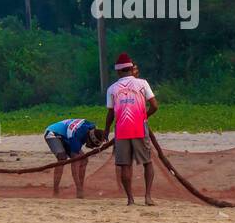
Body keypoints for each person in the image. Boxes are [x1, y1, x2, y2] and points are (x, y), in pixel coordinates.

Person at [104, 53, 159, 206]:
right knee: (147, 162)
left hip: (121, 131)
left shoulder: (112, 89)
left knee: (124, 165)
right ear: (131, 69)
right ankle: (148, 197)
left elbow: (110, 113)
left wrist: (107, 130)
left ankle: (130, 199)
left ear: (118, 71)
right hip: (139, 129)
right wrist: (144, 117)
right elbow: (155, 106)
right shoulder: (142, 84)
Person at [43, 118, 106, 198]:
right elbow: (74, 166)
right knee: (62, 158)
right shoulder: (76, 137)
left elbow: (101, 134)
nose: (91, 148)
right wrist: (78, 190)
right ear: (89, 140)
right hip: (52, 133)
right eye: (91, 145)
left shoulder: (92, 128)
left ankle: (81, 188)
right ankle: (56, 190)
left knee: (84, 160)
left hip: (66, 135)